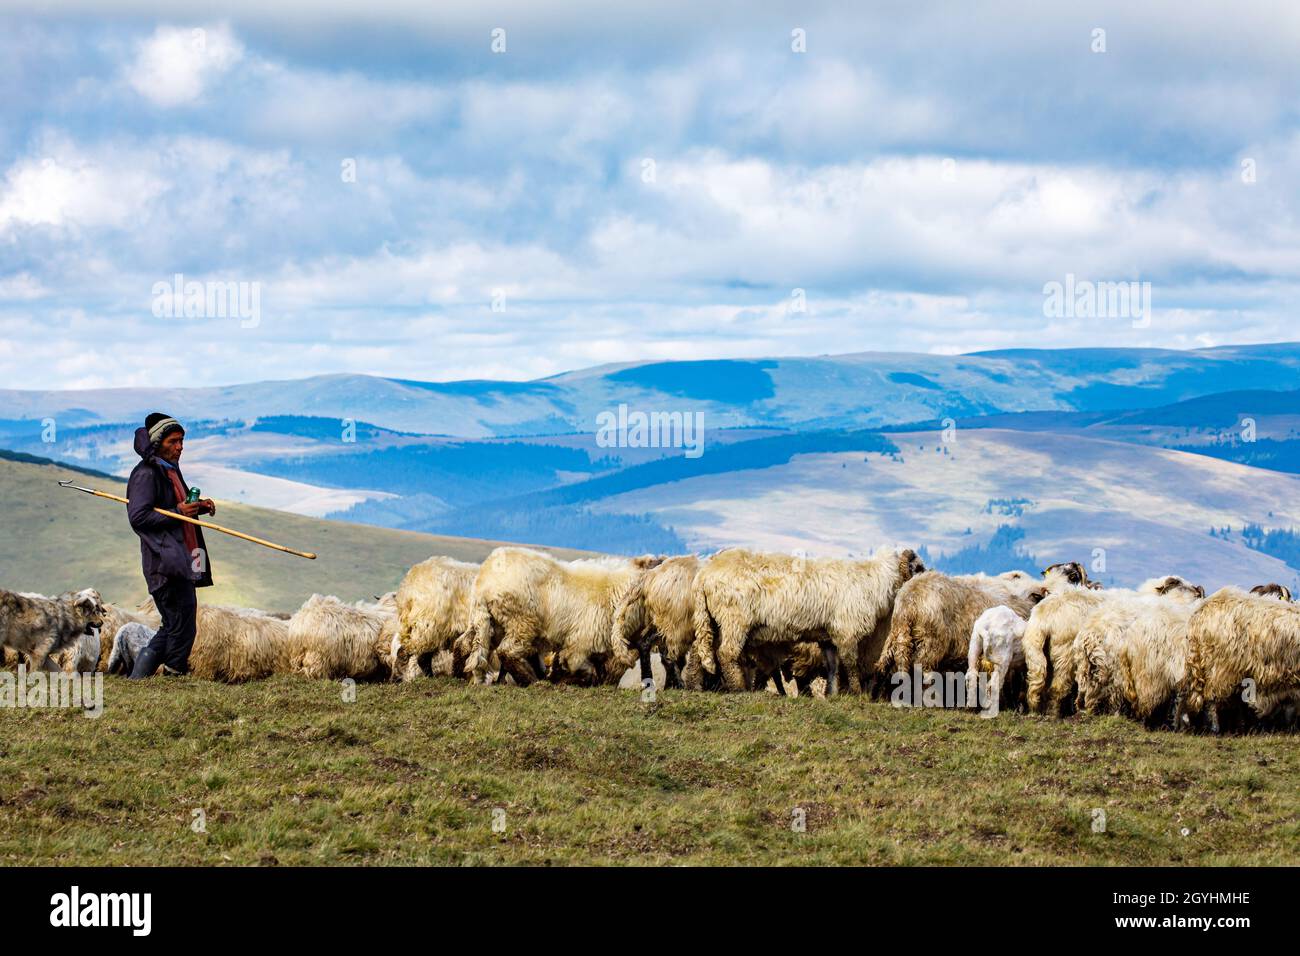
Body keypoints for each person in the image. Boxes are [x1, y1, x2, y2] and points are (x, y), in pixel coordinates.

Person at [125, 413, 216, 678]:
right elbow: (138, 517)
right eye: (173, 442)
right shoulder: (146, 474)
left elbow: (177, 506)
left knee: (175, 624)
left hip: (181, 558)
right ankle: (174, 675)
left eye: (182, 441)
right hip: (164, 563)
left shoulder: (169, 469)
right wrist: (177, 510)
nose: (180, 447)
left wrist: (198, 506)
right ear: (158, 443)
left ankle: (138, 678)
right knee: (181, 626)